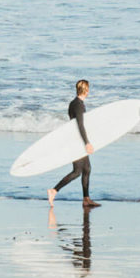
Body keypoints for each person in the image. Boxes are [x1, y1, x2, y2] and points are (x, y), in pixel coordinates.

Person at [47, 79, 97, 208]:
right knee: (77, 171)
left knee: (87, 169)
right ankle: (54, 190)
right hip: (76, 141)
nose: (89, 91)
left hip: (76, 139)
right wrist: (86, 142)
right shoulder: (79, 105)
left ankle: (86, 199)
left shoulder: (75, 103)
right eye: (88, 89)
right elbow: (80, 125)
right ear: (85, 90)